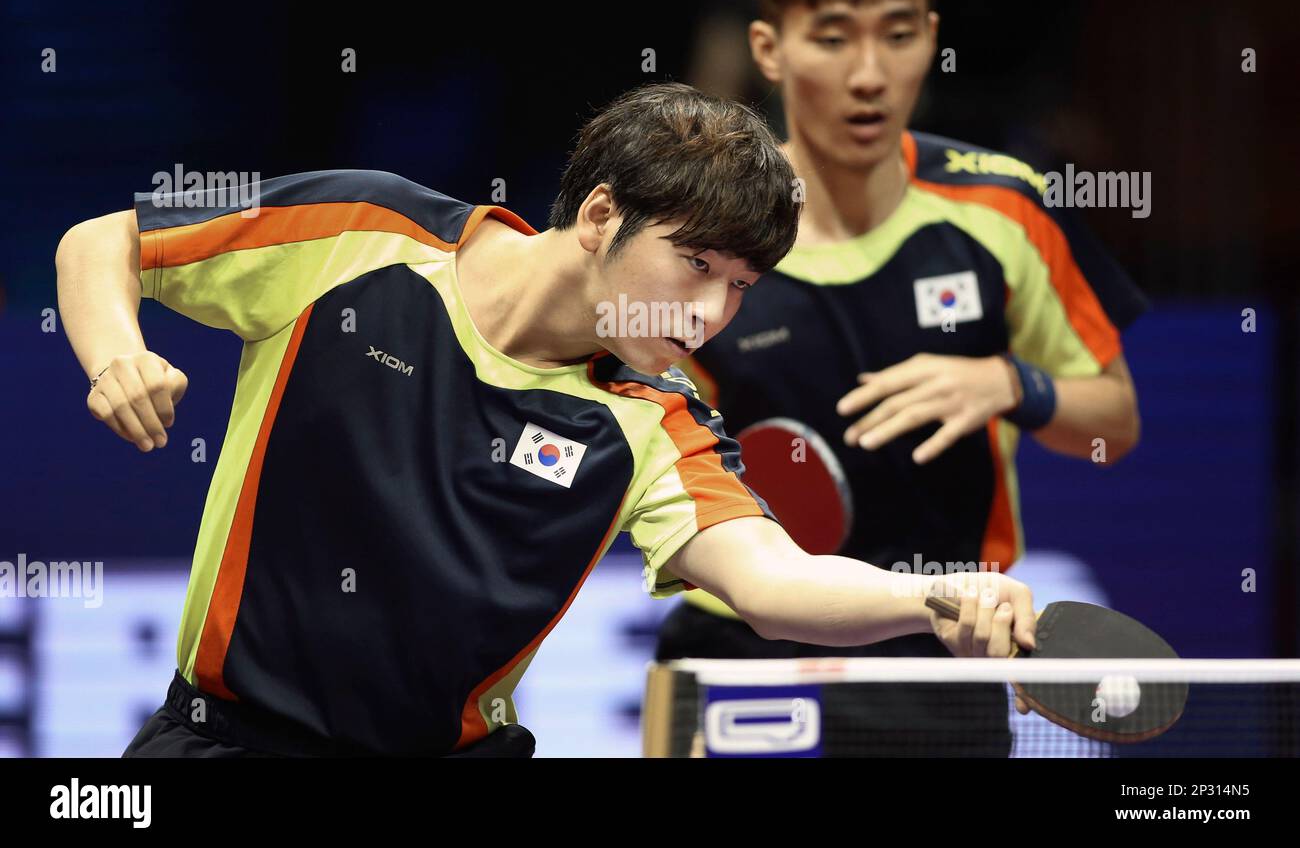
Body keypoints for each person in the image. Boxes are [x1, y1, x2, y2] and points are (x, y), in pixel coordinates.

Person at [54, 82, 1035, 757]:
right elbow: (106, 244)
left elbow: (770, 581)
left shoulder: (654, 414)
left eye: (740, 287)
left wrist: (932, 600)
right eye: (694, 265)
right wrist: (117, 355)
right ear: (602, 214)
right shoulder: (370, 240)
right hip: (222, 738)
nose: (709, 317)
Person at [657, 0, 1147, 756]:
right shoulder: (699, 236)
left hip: (943, 653)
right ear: (768, 48)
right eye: (834, 36)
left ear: (932, 33)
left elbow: (1115, 422)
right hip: (744, 654)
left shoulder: (1004, 207)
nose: (871, 73)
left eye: (900, 31)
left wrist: (1009, 383)